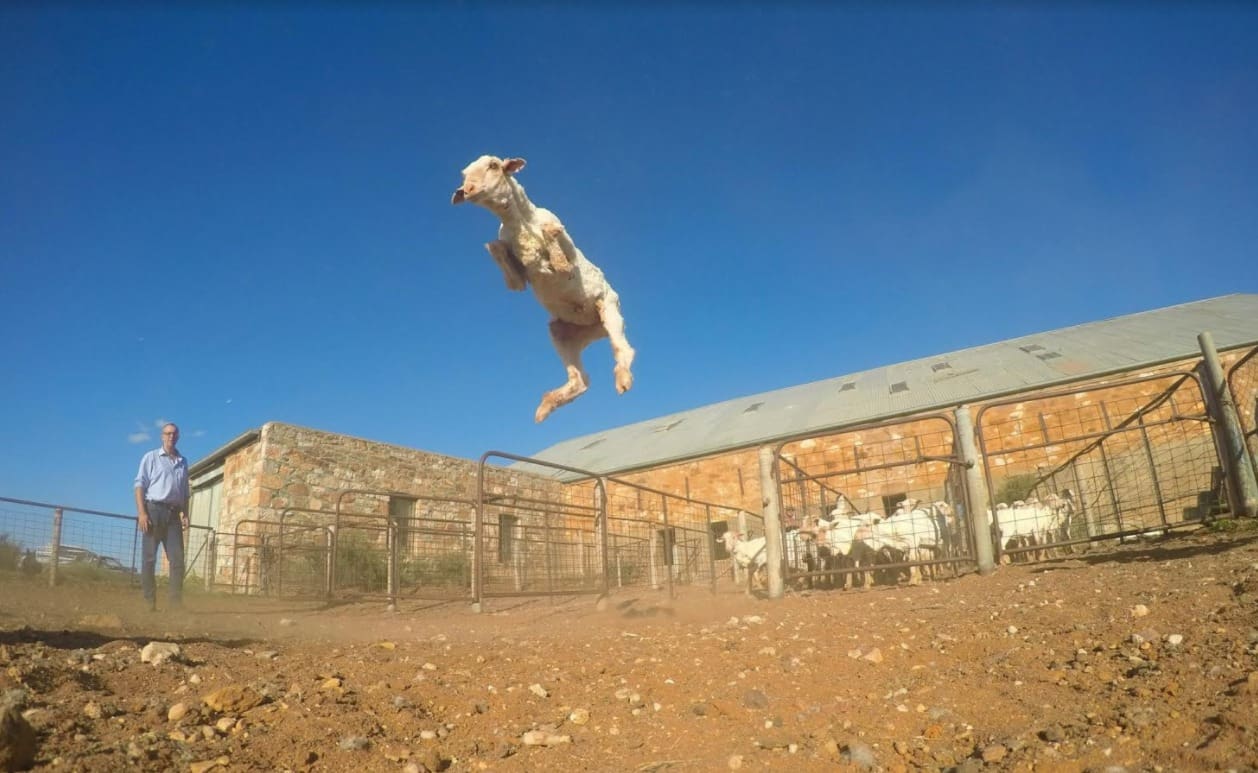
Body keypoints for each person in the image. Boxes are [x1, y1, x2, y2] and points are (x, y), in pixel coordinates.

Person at [134, 422, 189, 611]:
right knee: (149, 559)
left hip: (174, 514)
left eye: (174, 433)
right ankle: (149, 603)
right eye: (167, 433)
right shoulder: (151, 458)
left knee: (177, 560)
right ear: (161, 436)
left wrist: (185, 514)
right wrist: (142, 513)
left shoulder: (183, 462)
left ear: (178, 436)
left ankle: (175, 605)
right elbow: (139, 485)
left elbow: (185, 492)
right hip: (153, 512)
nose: (171, 436)